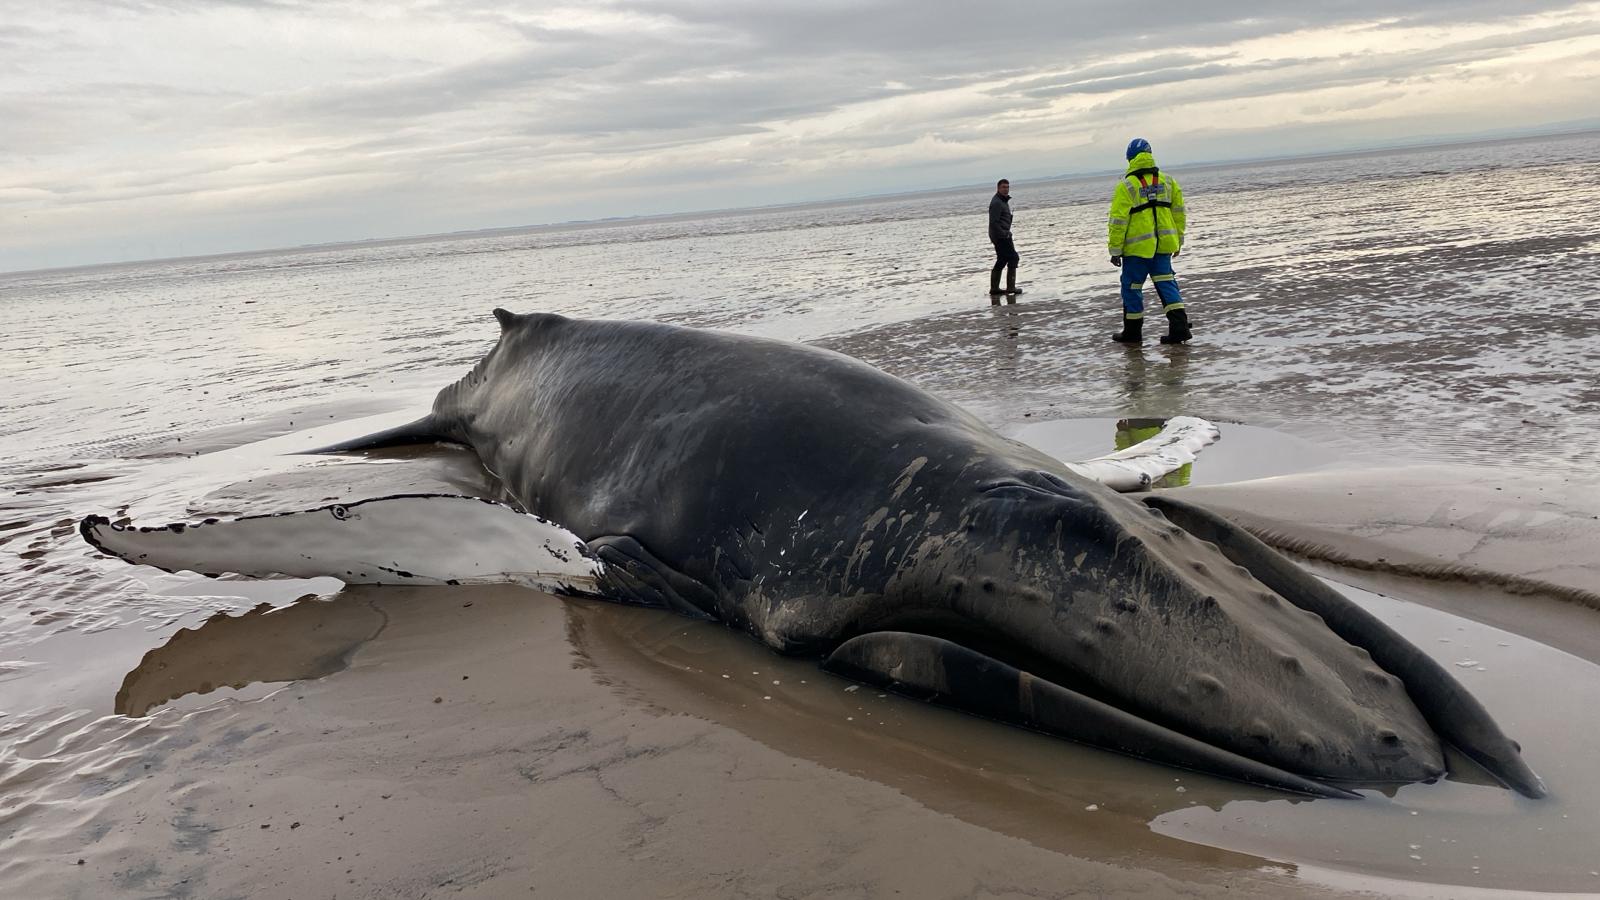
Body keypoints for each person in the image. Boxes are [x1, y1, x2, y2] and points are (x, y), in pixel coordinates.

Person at [1107, 139, 1190, 344]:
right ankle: (1179, 328)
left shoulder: (1126, 186)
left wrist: (1115, 250)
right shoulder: (1168, 182)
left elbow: (1118, 221)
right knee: (1167, 285)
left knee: (1132, 288)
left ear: (1130, 158)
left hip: (1136, 250)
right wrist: (1178, 241)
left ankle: (1133, 333)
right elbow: (1179, 214)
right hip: (1164, 246)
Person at [988, 178, 1022, 299]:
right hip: (1000, 236)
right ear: (998, 188)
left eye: (1007, 187)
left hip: (1004, 234)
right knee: (1013, 257)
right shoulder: (997, 202)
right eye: (1003, 187)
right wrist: (1003, 234)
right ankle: (1010, 288)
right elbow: (994, 222)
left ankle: (995, 289)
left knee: (1002, 259)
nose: (1006, 189)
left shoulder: (1003, 201)